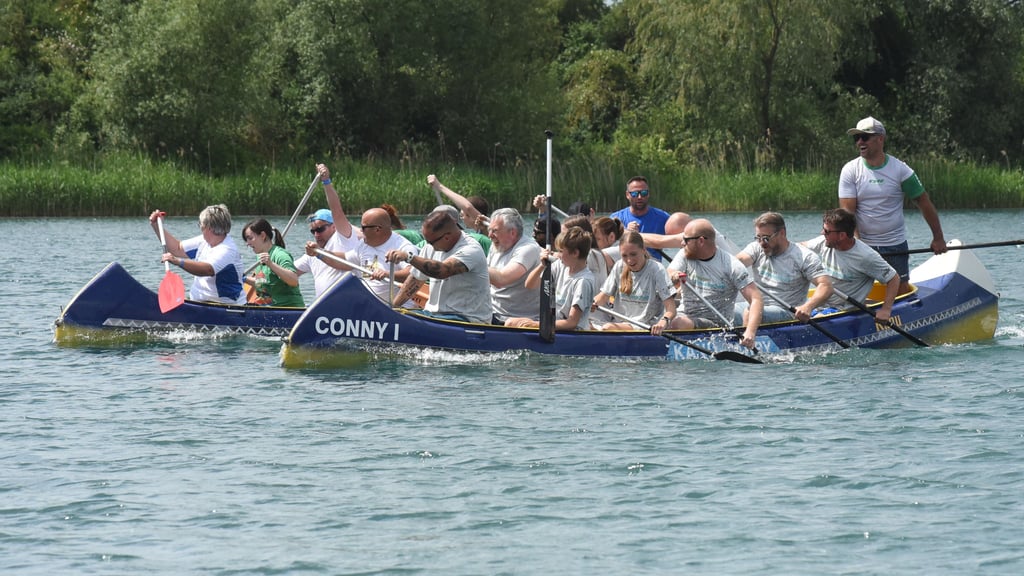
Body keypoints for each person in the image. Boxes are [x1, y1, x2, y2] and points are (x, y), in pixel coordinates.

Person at [839, 116, 947, 293]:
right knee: (855, 293)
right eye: (856, 138)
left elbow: (924, 202)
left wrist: (938, 238)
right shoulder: (850, 170)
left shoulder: (900, 170)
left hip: (894, 244)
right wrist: (855, 243)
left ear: (880, 138)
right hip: (862, 244)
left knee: (901, 289)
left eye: (864, 137)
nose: (859, 142)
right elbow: (847, 213)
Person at [666, 218, 762, 349]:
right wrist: (673, 275)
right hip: (685, 314)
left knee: (676, 323)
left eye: (686, 240)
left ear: (701, 241)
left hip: (716, 324)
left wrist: (750, 332)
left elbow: (756, 299)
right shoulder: (685, 254)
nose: (682, 243)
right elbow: (670, 271)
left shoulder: (731, 265)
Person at [385, 207, 491, 324]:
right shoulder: (431, 245)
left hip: (467, 318)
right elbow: (415, 280)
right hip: (433, 315)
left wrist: (409, 257)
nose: (429, 245)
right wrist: (392, 309)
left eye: (430, 242)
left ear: (446, 236)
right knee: (393, 318)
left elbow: (442, 271)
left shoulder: (470, 249)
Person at [803, 208, 900, 323]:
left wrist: (886, 310)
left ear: (842, 236)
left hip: (843, 311)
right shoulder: (825, 241)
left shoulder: (866, 257)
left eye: (827, 231)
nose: (822, 233)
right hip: (819, 303)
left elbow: (894, 278)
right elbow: (801, 247)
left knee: (809, 322)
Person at [735, 212, 833, 323]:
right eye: (758, 238)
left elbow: (826, 286)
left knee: (751, 311)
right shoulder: (756, 248)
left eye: (766, 238)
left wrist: (808, 307)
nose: (762, 243)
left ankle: (746, 339)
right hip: (756, 304)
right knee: (719, 311)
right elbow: (739, 262)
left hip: (787, 311)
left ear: (782, 233)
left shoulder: (804, 256)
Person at [312, 207, 419, 307]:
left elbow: (413, 274)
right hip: (370, 308)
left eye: (363, 227)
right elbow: (343, 260)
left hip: (397, 310)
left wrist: (387, 274)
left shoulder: (403, 247)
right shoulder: (364, 245)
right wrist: (319, 253)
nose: (360, 231)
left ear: (377, 229)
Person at [148, 204, 246, 304]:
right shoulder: (203, 241)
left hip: (227, 307)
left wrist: (178, 262)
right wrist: (156, 226)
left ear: (209, 227)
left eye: (201, 225)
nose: (200, 228)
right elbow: (177, 248)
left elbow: (207, 269)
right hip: (200, 303)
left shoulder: (227, 249)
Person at [506, 226, 596, 331]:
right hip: (553, 325)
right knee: (510, 323)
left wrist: (537, 325)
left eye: (561, 251)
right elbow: (529, 285)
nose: (557, 254)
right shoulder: (560, 266)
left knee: (521, 325)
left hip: (571, 332)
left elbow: (572, 323)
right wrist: (542, 266)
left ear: (575, 253)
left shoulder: (583, 282)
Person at [592, 231, 678, 335]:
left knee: (607, 327)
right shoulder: (619, 266)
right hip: (619, 324)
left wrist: (663, 322)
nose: (629, 260)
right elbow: (603, 297)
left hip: (646, 326)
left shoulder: (657, 269)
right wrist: (592, 303)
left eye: (633, 254)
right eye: (624, 256)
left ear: (643, 250)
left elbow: (671, 309)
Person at [294, 164, 358, 298]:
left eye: (320, 229)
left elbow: (337, 211)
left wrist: (326, 182)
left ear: (334, 226)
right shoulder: (312, 252)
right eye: (313, 231)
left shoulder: (343, 237)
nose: (317, 234)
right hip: (325, 310)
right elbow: (291, 273)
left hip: (349, 307)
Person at [486, 208, 541, 324]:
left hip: (516, 319)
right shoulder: (496, 245)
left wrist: (471, 265)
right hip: (492, 311)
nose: (490, 235)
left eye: (494, 231)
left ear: (513, 233)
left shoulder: (528, 249)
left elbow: (502, 279)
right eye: (489, 230)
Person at [241, 218, 304, 307]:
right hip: (268, 310)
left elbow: (294, 280)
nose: (247, 243)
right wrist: (243, 278)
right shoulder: (260, 256)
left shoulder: (280, 255)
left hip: (288, 311)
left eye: (250, 238)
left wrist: (271, 264)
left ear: (263, 235)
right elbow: (262, 283)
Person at [609, 176, 673, 260]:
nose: (639, 197)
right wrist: (625, 233)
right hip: (624, 265)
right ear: (627, 195)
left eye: (643, 193)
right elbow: (607, 246)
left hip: (653, 267)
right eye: (635, 194)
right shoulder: (615, 219)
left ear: (648, 194)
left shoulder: (663, 218)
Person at [426, 174, 492, 252]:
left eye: (462, 216)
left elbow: (468, 207)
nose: (462, 219)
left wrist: (439, 185)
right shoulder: (476, 234)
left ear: (470, 216)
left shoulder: (489, 227)